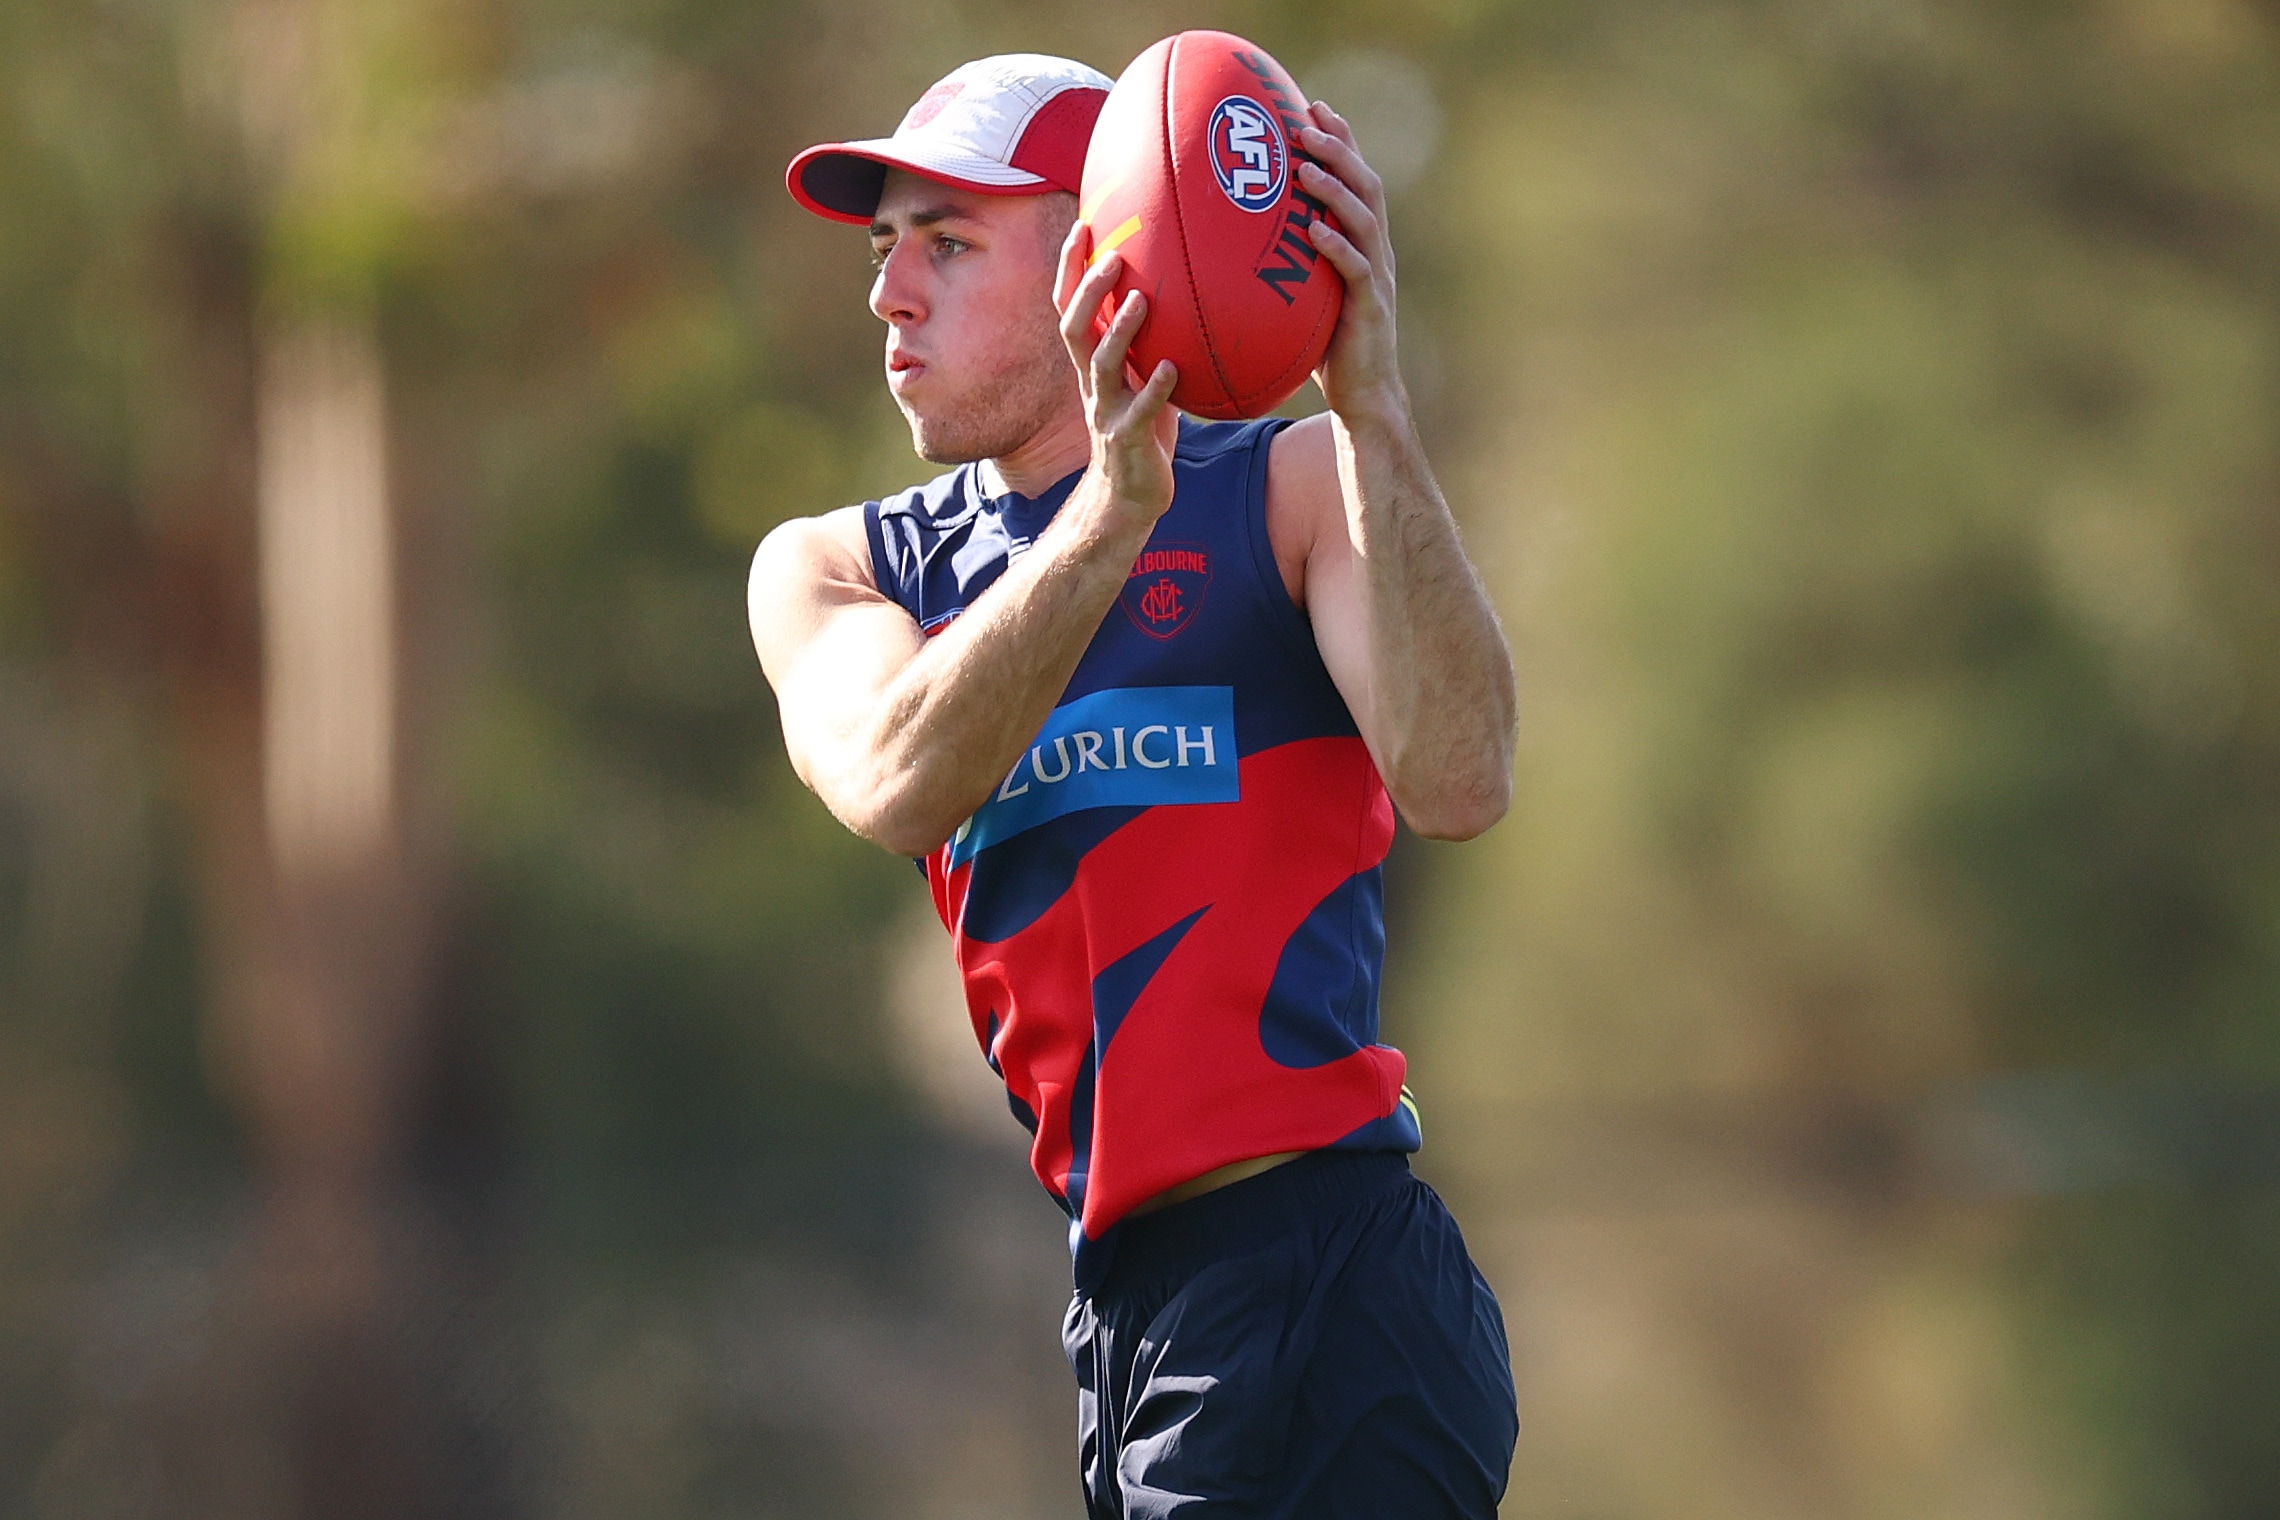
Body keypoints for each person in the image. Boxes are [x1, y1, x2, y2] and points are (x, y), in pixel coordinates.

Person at [752, 50, 1519, 1519]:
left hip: (1340, 1273)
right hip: (1130, 1312)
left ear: (1104, 259)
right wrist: (1111, 516)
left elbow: (1462, 779)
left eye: (948, 244)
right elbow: (894, 778)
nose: (887, 296)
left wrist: (1375, 414)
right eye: (883, 248)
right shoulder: (844, 569)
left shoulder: (1293, 492)